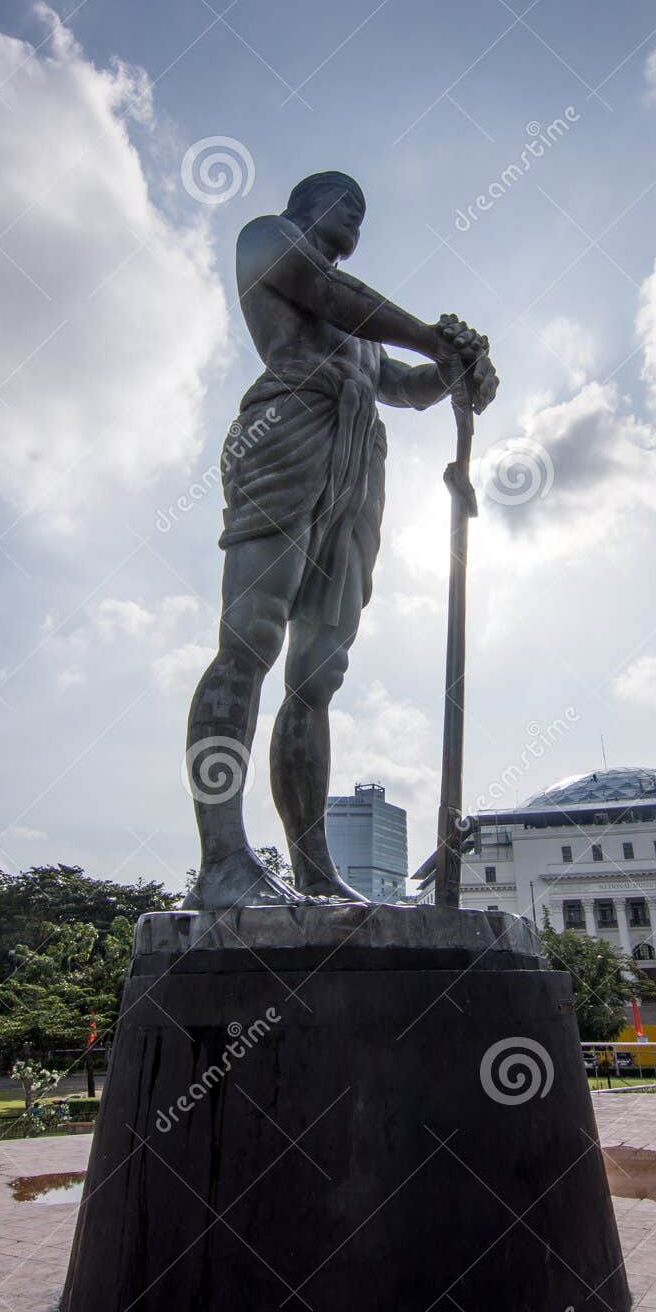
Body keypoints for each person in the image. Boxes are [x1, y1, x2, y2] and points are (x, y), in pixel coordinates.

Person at [185, 170, 497, 909]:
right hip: (287, 432)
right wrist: (430, 333)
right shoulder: (267, 240)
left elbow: (406, 385)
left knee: (318, 676)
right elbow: (327, 296)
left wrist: (459, 371)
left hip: (357, 470)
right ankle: (223, 860)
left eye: (365, 207)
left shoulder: (362, 339)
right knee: (249, 641)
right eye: (344, 198)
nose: (357, 211)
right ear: (305, 205)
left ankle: (314, 870)